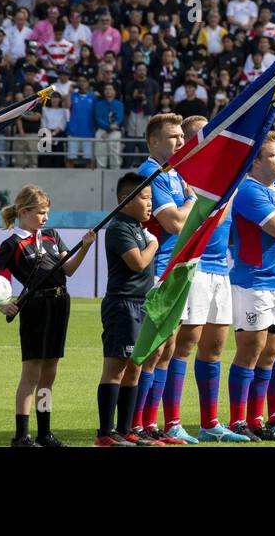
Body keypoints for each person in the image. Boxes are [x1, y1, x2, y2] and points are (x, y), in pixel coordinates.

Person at [0, 184, 95, 447]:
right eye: (40, 213)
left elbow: (68, 269)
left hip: (60, 304)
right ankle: (22, 435)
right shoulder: (12, 243)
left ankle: (44, 433)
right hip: (35, 307)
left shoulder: (51, 236)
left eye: (47, 212)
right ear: (24, 212)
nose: (45, 218)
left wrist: (84, 247)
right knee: (32, 372)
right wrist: (3, 303)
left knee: (50, 372)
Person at [166, 113, 245, 443]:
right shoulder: (183, 176)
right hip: (193, 267)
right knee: (183, 346)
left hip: (220, 270)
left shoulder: (227, 177)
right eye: (204, 135)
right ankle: (171, 422)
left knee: (214, 348)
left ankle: (210, 423)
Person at [225, 132, 275, 441]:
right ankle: (237, 420)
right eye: (273, 155)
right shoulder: (248, 191)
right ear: (255, 162)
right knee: (250, 351)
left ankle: (260, 420)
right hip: (252, 282)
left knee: (270, 353)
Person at [135, 112, 199, 444]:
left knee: (167, 347)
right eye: (173, 137)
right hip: (159, 268)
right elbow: (175, 222)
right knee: (154, 347)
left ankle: (149, 423)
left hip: (177, 268)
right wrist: (192, 199)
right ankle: (138, 424)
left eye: (180, 136)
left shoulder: (173, 173)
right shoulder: (151, 173)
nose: (180, 141)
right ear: (154, 141)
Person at [97, 172, 159, 446]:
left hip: (141, 304)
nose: (150, 204)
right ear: (126, 200)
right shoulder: (119, 227)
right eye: (145, 198)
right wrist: (154, 245)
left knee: (134, 368)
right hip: (123, 305)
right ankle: (105, 433)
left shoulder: (136, 228)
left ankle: (126, 430)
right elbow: (137, 263)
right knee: (116, 368)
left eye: (151, 198)